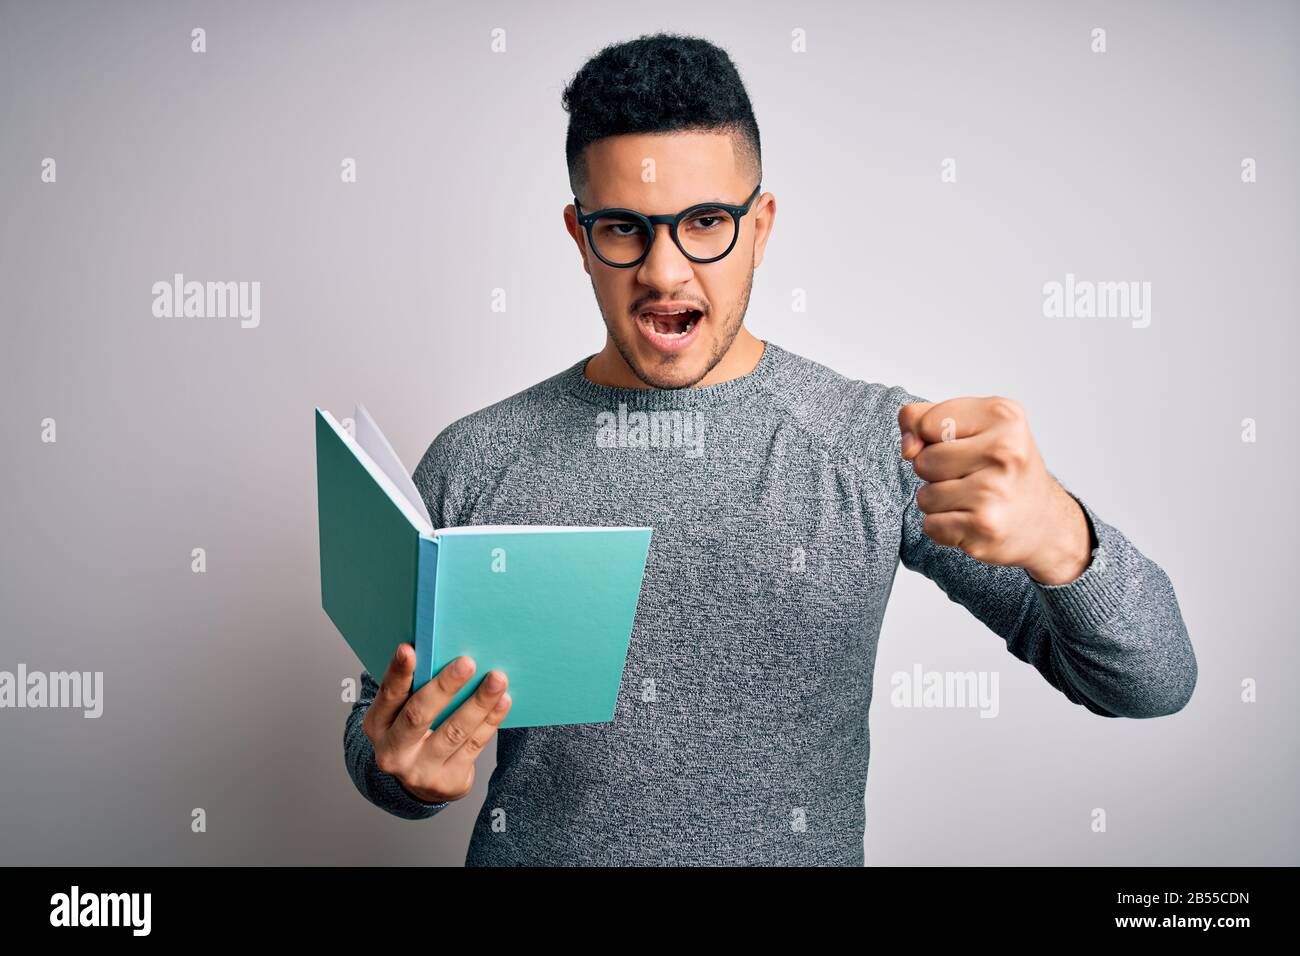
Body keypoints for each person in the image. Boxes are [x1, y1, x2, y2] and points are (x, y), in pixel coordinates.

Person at [344, 32, 1197, 866]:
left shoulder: (877, 443)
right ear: (579, 236)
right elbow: (374, 733)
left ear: (762, 225)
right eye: (624, 229)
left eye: (706, 221)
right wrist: (407, 773)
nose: (666, 272)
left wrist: (1060, 534)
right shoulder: (477, 459)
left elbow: (1151, 684)